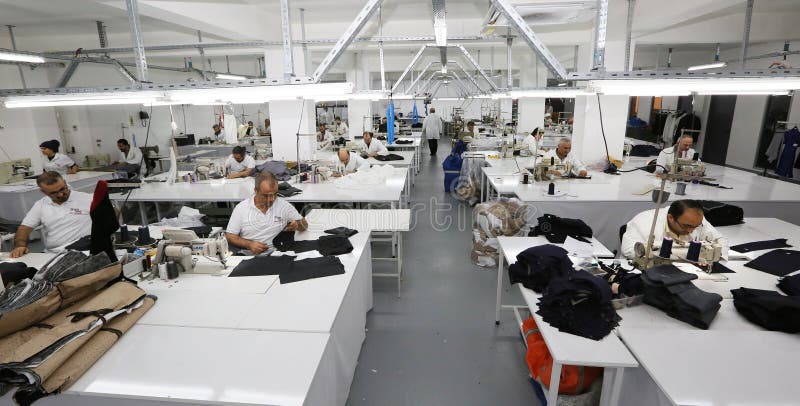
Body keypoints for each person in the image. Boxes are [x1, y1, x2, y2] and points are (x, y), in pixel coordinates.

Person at [10, 171, 92, 257]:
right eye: (53, 193)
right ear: (43, 191)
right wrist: (20, 246)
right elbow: (24, 229)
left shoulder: (87, 199)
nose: (60, 194)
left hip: (81, 251)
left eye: (62, 189)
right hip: (52, 253)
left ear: (65, 182)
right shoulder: (40, 205)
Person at [225, 171, 307, 255]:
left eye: (275, 194)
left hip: (279, 253)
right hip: (250, 256)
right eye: (265, 195)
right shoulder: (241, 208)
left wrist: (298, 225)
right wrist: (249, 244)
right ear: (255, 191)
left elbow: (304, 225)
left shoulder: (284, 206)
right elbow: (230, 236)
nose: (271, 199)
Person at [621, 199, 729, 260]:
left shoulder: (695, 220)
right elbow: (628, 250)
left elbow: (720, 240)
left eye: (695, 227)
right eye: (686, 226)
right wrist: (679, 253)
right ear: (671, 218)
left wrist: (716, 257)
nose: (691, 231)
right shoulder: (644, 222)